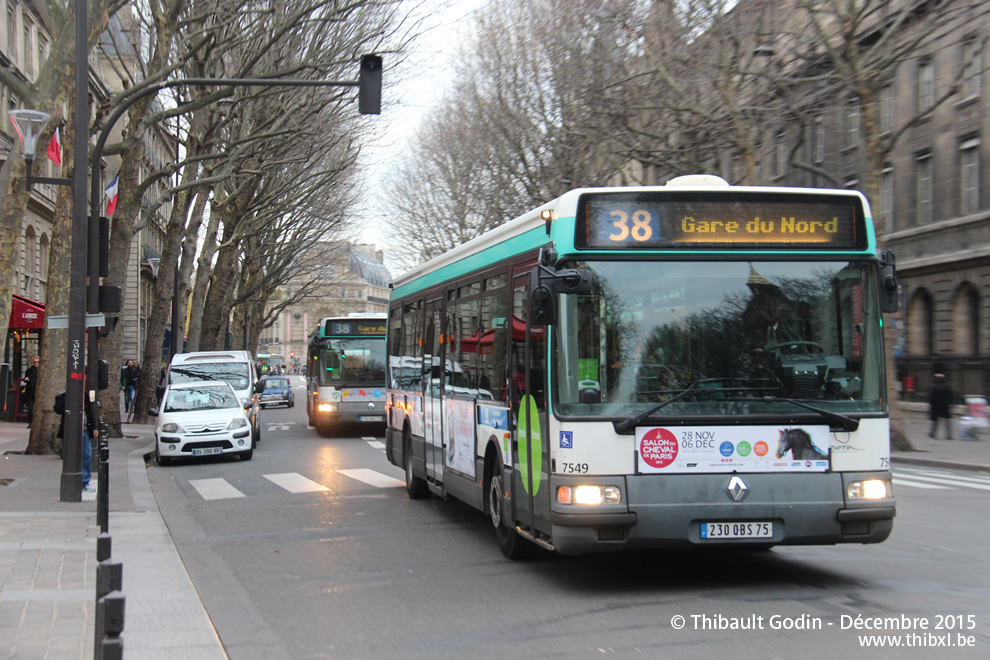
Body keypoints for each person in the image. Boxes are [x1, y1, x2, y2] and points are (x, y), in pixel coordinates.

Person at [928, 373, 953, 440]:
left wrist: (931, 405)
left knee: (935, 421)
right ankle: (949, 435)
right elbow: (951, 396)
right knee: (946, 421)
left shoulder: (934, 387)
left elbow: (931, 397)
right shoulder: (948, 387)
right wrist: (951, 404)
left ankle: (932, 433)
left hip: (936, 406)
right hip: (945, 406)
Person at [24, 356, 39, 427]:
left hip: (38, 391)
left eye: (37, 362)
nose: (36, 363)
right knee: (30, 407)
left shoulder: (41, 370)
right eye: (34, 362)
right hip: (30, 390)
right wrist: (26, 379)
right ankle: (30, 422)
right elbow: (26, 378)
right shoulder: (29, 370)